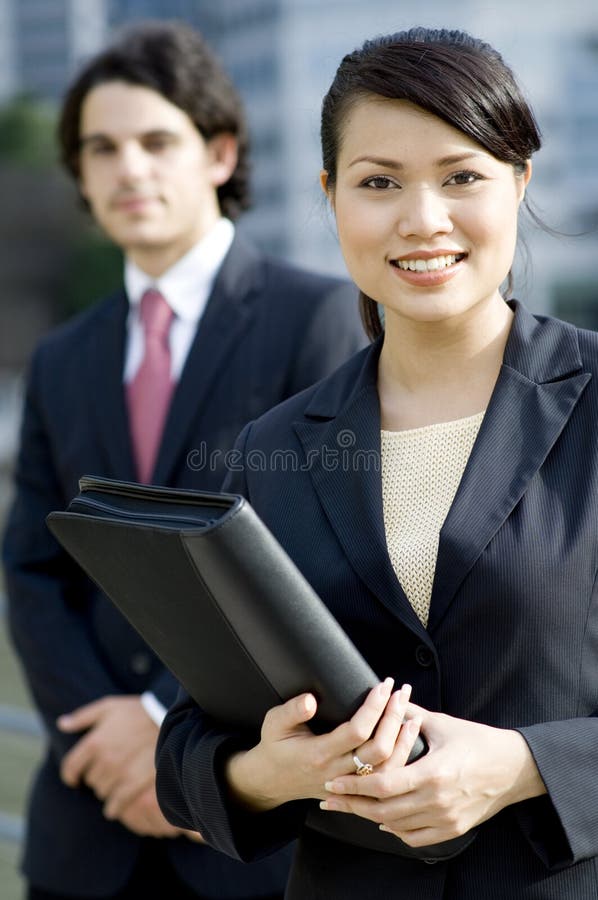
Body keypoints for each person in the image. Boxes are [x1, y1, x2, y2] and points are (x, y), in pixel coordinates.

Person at [155, 26, 598, 900]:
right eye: (379, 182)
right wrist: (269, 773)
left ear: (519, 180)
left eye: (461, 176)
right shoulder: (273, 448)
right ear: (330, 197)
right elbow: (185, 752)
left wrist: (524, 766)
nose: (422, 219)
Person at [1, 20, 365, 900]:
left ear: (219, 152)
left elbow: (316, 564)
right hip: (85, 826)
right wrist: (99, 737)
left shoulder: (316, 320)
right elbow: (32, 568)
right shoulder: (62, 357)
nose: (128, 168)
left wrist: (161, 728)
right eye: (102, 148)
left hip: (242, 827)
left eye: (157, 141)